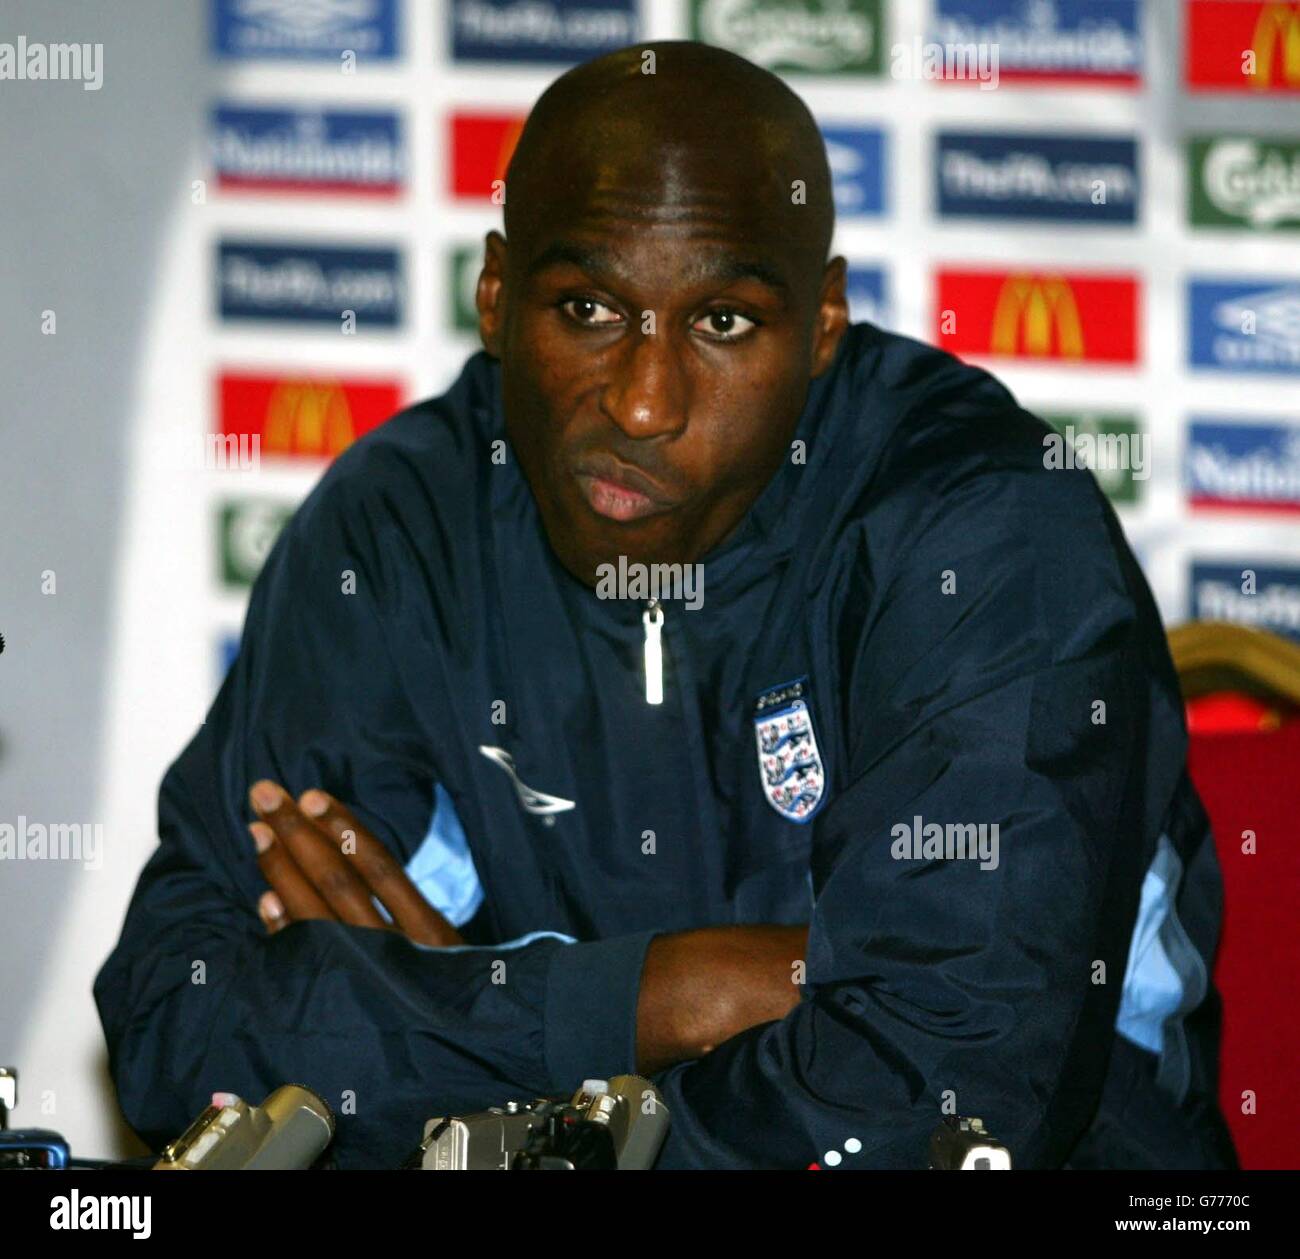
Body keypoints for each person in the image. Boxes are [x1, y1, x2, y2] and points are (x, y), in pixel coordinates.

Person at [94, 40, 1238, 1171]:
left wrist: (469, 1029)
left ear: (822, 326)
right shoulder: (404, 529)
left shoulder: (983, 529)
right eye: (588, 307)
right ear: (495, 297)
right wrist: (665, 991)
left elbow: (948, 1093)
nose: (643, 401)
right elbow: (177, 1016)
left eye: (723, 321)